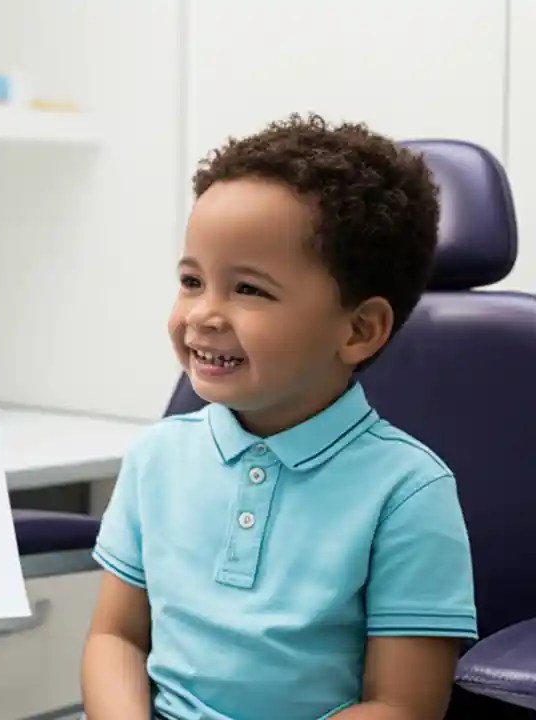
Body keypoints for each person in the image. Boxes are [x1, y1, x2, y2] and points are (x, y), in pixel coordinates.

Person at [81, 114, 477, 720]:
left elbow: (402, 706)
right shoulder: (155, 457)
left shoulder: (408, 491)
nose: (203, 315)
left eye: (250, 290)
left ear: (359, 329)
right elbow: (116, 638)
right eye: (192, 281)